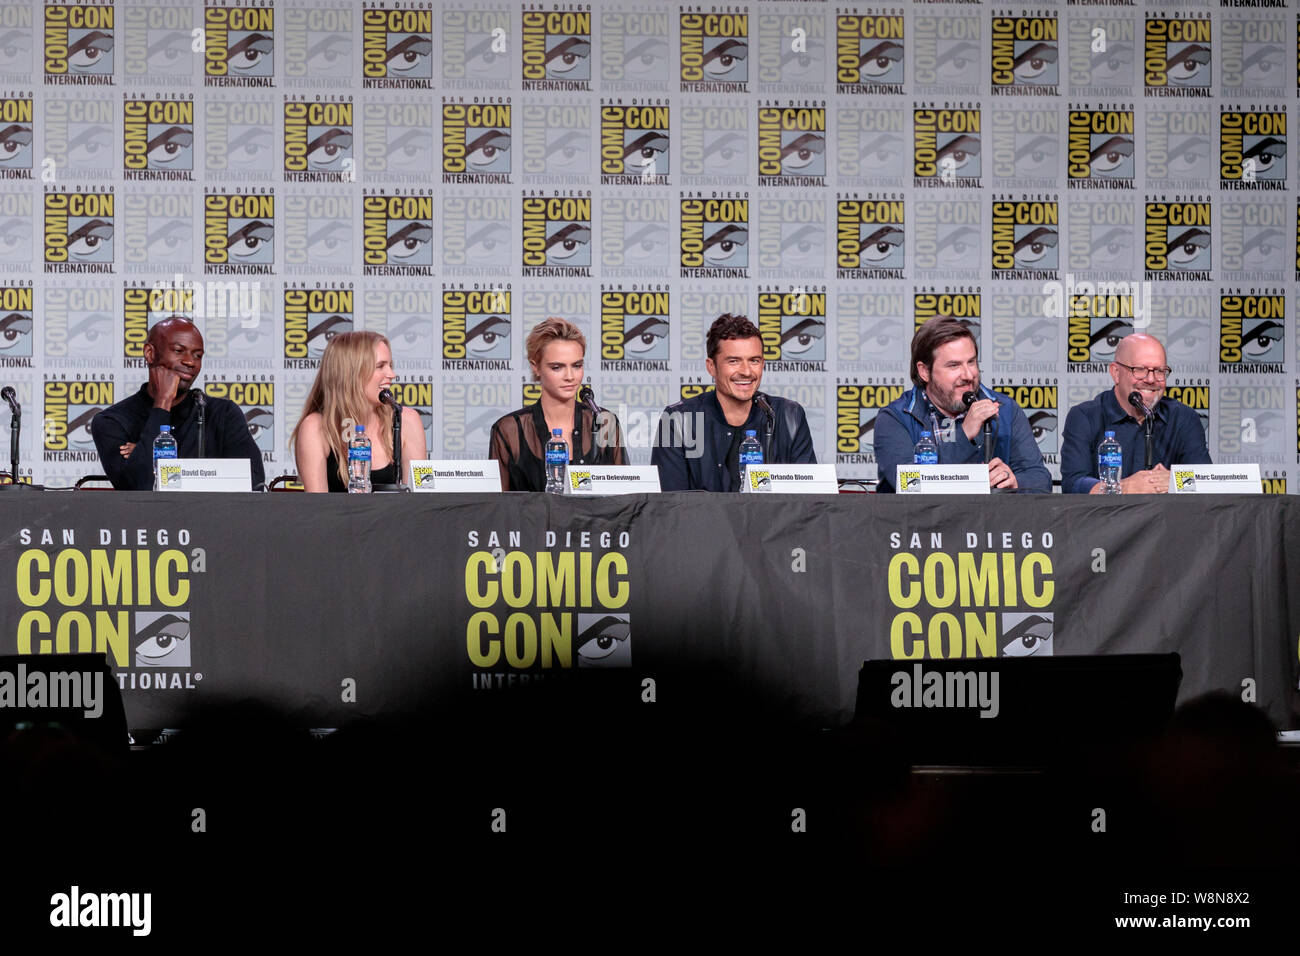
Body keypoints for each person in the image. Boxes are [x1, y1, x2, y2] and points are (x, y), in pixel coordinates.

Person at [874, 316, 1051, 493]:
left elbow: (1041, 480)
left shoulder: (1005, 409)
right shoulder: (895, 418)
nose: (968, 374)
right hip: (922, 521)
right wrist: (964, 434)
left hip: (989, 520)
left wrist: (1013, 481)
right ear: (924, 371)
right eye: (954, 365)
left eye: (971, 362)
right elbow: (909, 484)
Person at [91, 317, 265, 490]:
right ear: (150, 353)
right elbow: (139, 487)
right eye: (178, 350)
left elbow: (253, 481)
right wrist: (163, 402)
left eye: (197, 355)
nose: (190, 362)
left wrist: (157, 459)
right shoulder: (111, 421)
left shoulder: (223, 413)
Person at [651, 314, 815, 491]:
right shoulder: (678, 420)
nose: (746, 371)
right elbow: (670, 508)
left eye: (754, 360)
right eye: (734, 361)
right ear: (711, 367)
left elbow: (807, 502)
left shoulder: (790, 415)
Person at [1060, 332, 1210, 494]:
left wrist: (1176, 480)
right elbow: (1073, 484)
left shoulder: (1183, 417)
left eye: (1160, 371)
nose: (1151, 379)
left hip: (1167, 518)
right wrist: (1122, 487)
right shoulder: (1085, 416)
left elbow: (1207, 481)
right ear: (1116, 372)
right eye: (1140, 370)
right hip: (1107, 518)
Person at [488, 317, 628, 491]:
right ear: (536, 367)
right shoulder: (509, 430)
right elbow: (496, 508)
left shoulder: (604, 422)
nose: (570, 376)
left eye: (577, 365)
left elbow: (624, 502)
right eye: (557, 367)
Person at [291, 330, 426, 492]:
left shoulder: (408, 419)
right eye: (380, 366)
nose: (392, 374)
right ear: (351, 373)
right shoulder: (315, 427)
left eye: (390, 365)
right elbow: (317, 508)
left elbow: (421, 497)